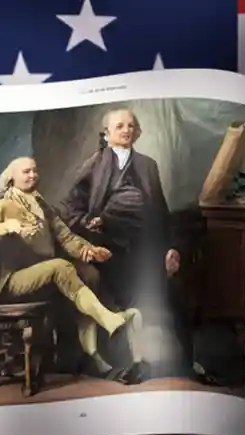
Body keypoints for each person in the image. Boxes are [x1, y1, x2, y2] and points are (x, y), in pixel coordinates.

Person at [0, 156, 145, 384]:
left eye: (35, 171)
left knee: (89, 274)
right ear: (11, 179)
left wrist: (89, 250)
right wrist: (4, 227)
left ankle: (94, 356)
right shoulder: (2, 207)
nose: (32, 175)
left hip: (40, 279)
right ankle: (109, 321)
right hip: (9, 283)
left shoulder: (41, 205)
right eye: (26, 172)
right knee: (61, 266)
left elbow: (65, 237)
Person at [58, 106, 210, 383]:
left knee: (176, 296)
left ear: (137, 131)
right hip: (108, 250)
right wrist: (88, 223)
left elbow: (162, 213)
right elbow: (69, 209)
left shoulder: (148, 165)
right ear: (107, 134)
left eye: (131, 126)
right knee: (127, 303)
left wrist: (171, 248)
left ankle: (191, 362)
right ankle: (132, 364)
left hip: (146, 248)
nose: (127, 130)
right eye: (120, 126)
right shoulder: (94, 164)